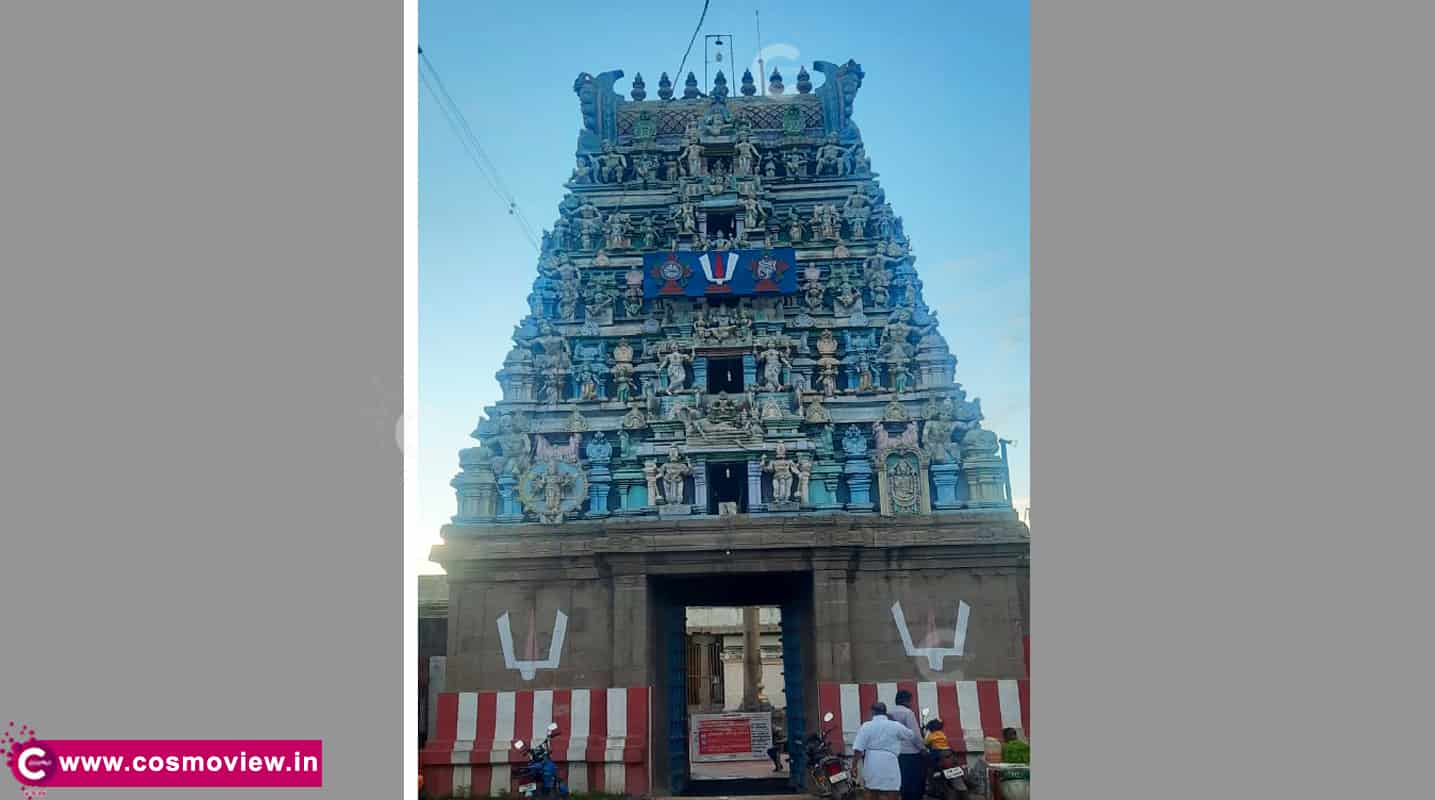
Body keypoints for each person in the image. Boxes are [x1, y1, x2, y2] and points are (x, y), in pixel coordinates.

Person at [853, 702, 924, 800]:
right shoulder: (894, 725)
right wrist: (894, 722)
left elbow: (858, 749)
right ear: (885, 712)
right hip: (890, 761)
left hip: (872, 761)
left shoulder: (866, 726)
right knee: (892, 789)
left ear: (872, 712)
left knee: (871, 789)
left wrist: (854, 766)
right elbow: (911, 735)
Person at [889, 690, 925, 800]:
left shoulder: (889, 713)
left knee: (901, 780)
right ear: (906, 701)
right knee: (914, 782)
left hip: (895, 753)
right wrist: (922, 748)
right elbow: (914, 735)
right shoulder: (908, 713)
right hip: (911, 753)